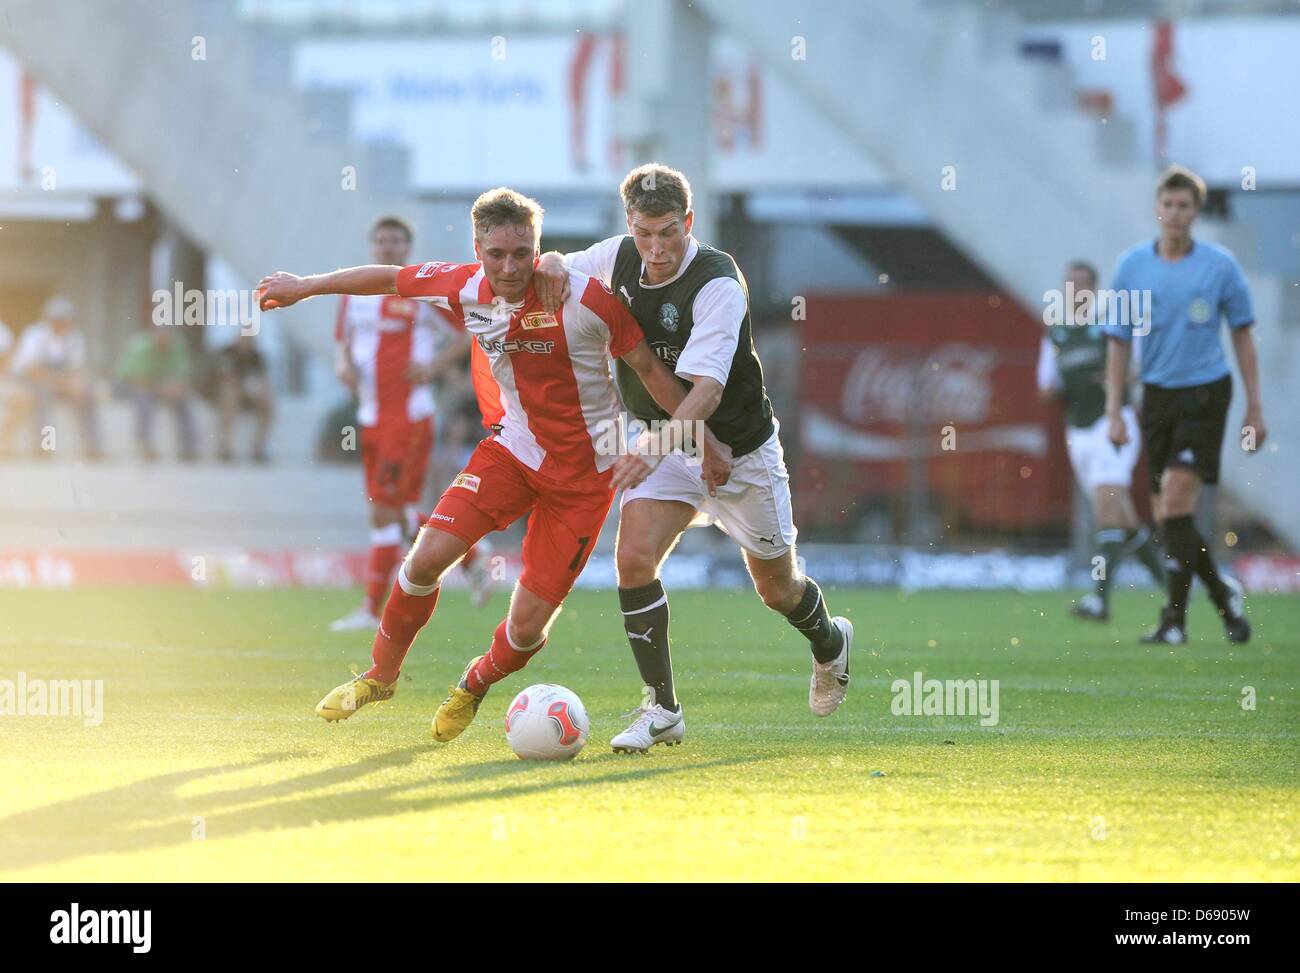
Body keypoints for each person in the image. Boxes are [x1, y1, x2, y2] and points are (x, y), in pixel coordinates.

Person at [256, 186, 722, 743]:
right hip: (513, 451)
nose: (509, 267)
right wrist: (305, 287)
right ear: (477, 250)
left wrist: (703, 440)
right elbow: (386, 277)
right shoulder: (465, 287)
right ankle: (380, 676)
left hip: (584, 480)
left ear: (537, 249)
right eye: (496, 254)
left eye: (523, 253)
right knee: (426, 557)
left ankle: (474, 683)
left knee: (526, 630)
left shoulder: (587, 300)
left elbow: (647, 369)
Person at [534, 162, 853, 753]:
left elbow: (705, 391)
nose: (654, 248)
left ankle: (830, 643)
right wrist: (550, 260)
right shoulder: (618, 254)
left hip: (738, 450)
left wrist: (654, 444)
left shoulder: (718, 284)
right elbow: (559, 267)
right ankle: (662, 710)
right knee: (632, 560)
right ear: (629, 223)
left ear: (689, 221)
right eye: (643, 233)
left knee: (777, 590)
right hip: (670, 448)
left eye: (667, 233)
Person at [1103, 165, 1265, 645]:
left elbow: (1243, 335)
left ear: (1196, 212)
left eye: (1184, 206)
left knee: (1174, 499)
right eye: (1168, 205)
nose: (1175, 213)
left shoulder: (1219, 266)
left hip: (1205, 393)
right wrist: (1114, 410)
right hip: (1155, 396)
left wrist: (1255, 409)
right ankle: (1223, 598)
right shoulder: (1133, 266)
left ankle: (1174, 621)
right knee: (1166, 515)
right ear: (1158, 208)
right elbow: (1117, 341)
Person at [329, 215, 489, 632]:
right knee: (397, 513)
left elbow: (467, 333)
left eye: (396, 240)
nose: (388, 246)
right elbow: (341, 348)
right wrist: (344, 368)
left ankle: (369, 611)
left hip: (408, 418)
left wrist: (433, 367)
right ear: (372, 246)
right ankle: (471, 557)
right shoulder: (353, 295)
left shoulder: (419, 293)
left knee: (386, 514)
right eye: (381, 240)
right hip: (371, 416)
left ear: (406, 247)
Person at [1037, 260, 1167, 621]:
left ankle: (1099, 599)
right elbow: (1045, 386)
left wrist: (1116, 378)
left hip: (1113, 424)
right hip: (1078, 431)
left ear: (1094, 289)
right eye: (1071, 284)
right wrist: (1064, 385)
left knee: (1108, 507)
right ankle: (1173, 590)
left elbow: (1142, 368)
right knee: (1119, 518)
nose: (1076, 290)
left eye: (1083, 284)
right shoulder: (1058, 333)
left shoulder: (1113, 325)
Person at [0, 296, 103, 460]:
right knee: (42, 394)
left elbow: (77, 368)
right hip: (29, 381)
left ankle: (93, 447)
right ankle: (44, 447)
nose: (61, 324)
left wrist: (77, 384)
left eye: (65, 320)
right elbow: (32, 370)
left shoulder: (75, 337)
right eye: (58, 320)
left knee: (86, 394)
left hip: (57, 383)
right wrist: (63, 381)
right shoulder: (34, 334)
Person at [115, 326, 198, 462]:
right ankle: (143, 444)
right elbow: (138, 379)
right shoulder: (141, 346)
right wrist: (163, 388)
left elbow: (184, 376)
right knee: (144, 398)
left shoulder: (177, 346)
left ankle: (189, 448)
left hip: (161, 385)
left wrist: (176, 387)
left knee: (185, 400)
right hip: (128, 384)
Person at [213, 334, 273, 463]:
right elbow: (224, 378)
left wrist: (258, 391)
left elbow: (263, 380)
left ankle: (258, 448)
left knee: (267, 402)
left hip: (249, 395)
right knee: (230, 394)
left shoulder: (257, 358)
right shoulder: (227, 353)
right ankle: (224, 446)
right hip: (226, 394)